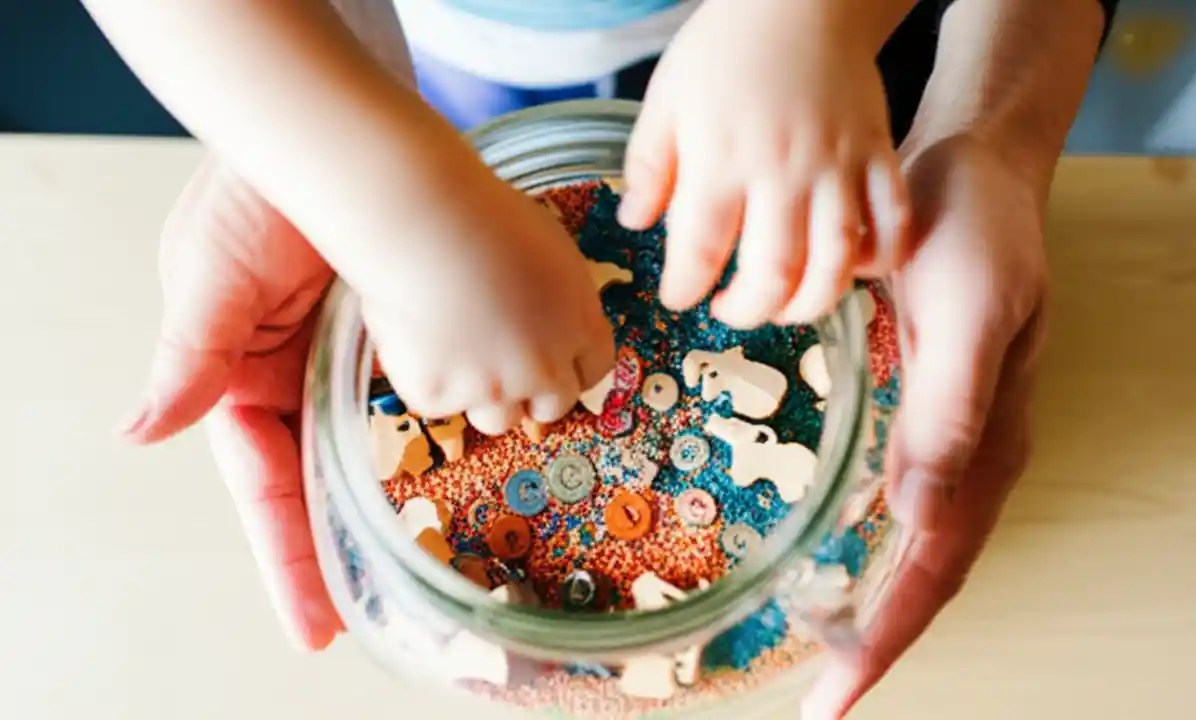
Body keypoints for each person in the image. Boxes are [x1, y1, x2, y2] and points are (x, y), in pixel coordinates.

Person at [86, 0, 1115, 717]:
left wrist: (827, 27)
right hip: (426, 60)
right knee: (497, 181)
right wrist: (366, 189)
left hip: (846, 74)